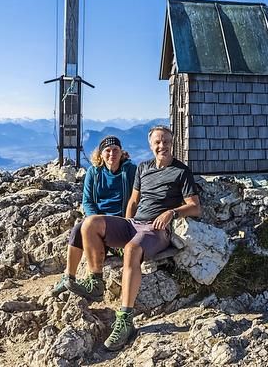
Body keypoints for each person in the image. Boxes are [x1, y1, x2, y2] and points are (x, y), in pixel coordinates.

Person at [78, 125, 201, 351]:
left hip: (156, 229)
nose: (161, 146)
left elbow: (195, 207)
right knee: (89, 224)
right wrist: (126, 224)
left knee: (132, 250)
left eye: (165, 141)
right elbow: (133, 202)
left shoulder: (181, 171)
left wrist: (172, 212)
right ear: (151, 145)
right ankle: (96, 281)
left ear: (172, 143)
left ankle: (125, 320)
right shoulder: (143, 168)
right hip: (134, 224)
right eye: (157, 142)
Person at [50, 135, 136, 299]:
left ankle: (96, 282)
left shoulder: (130, 170)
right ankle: (68, 278)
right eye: (107, 150)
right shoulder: (94, 172)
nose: (112, 154)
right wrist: (95, 222)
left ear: (121, 152)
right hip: (99, 221)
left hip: (120, 222)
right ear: (101, 154)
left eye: (115, 150)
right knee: (77, 229)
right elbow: (87, 201)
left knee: (87, 226)